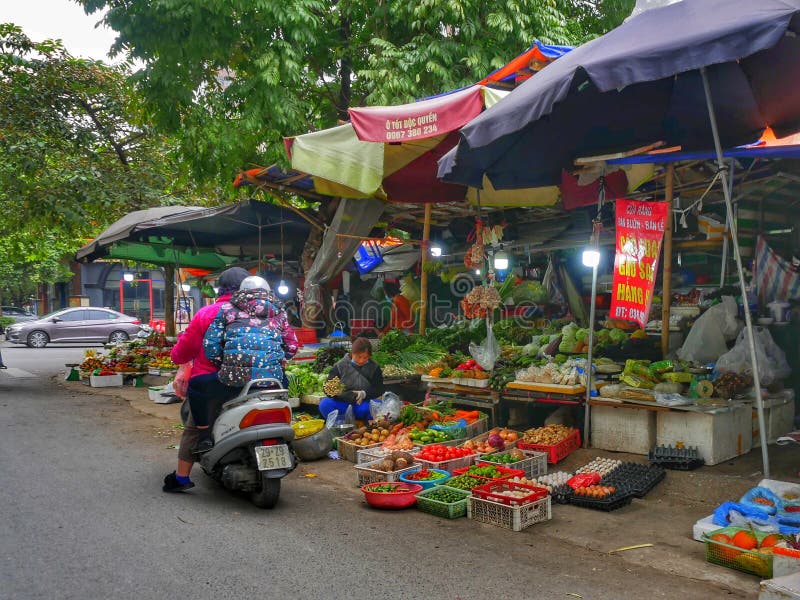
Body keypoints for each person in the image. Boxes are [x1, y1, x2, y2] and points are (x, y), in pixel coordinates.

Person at [162, 266, 250, 494]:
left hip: (214, 384)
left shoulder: (208, 313)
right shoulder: (260, 311)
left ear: (220, 288)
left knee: (194, 427)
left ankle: (182, 477)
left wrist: (178, 358)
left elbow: (184, 350)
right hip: (257, 381)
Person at [198, 275, 298, 451]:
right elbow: (292, 346)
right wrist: (277, 360)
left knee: (196, 387)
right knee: (285, 388)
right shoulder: (279, 311)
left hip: (234, 379)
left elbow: (211, 346)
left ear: (241, 291)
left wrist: (225, 363)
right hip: (272, 380)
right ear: (268, 292)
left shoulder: (227, 309)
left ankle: (204, 438)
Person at [319, 337, 384, 423]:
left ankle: (367, 425)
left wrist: (363, 394)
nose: (361, 360)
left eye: (365, 357)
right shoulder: (340, 366)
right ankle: (340, 424)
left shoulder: (374, 368)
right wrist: (349, 395)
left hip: (362, 404)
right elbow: (328, 389)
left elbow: (379, 389)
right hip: (343, 404)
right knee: (325, 404)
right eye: (359, 357)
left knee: (377, 405)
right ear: (352, 353)